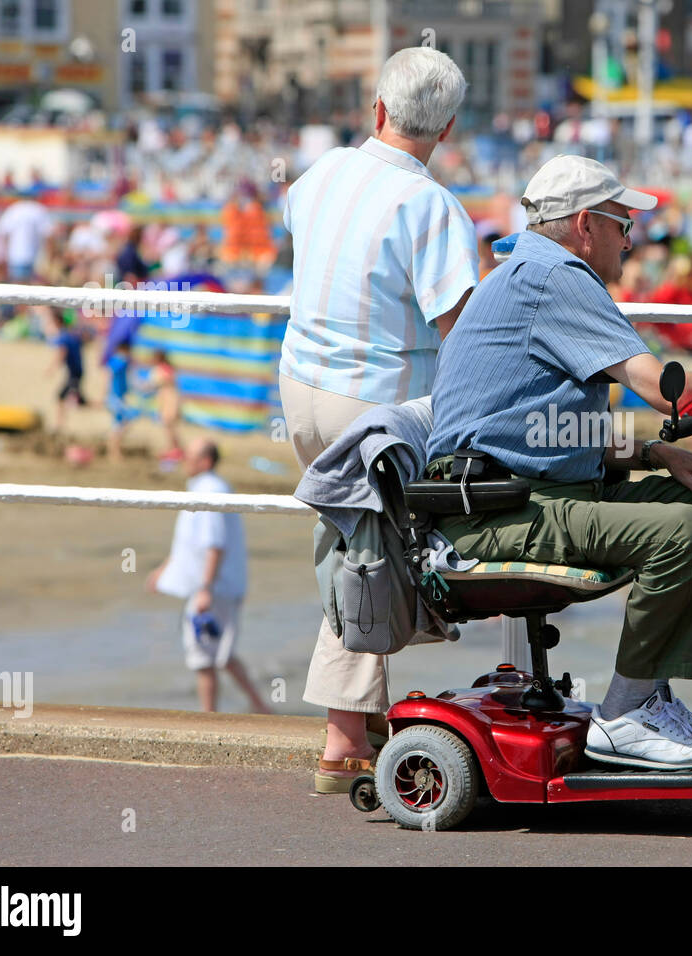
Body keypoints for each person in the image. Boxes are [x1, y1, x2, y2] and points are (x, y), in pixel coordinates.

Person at [426, 154, 692, 770]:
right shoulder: (555, 275)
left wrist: (657, 452)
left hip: (522, 493)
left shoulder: (534, 273)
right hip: (493, 509)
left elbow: (551, 432)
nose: (631, 241)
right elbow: (657, 383)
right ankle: (625, 715)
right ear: (586, 225)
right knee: (681, 531)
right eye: (623, 225)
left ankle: (650, 692)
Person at [278, 47, 479, 794]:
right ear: (448, 127)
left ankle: (362, 718)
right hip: (376, 403)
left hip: (301, 389)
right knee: (372, 553)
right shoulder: (433, 207)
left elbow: (302, 231)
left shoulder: (322, 171)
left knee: (348, 538)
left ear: (377, 109)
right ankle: (343, 738)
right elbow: (460, 325)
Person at [146, 438, 269, 714]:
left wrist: (205, 588)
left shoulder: (211, 490)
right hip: (215, 585)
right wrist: (163, 571)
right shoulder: (206, 488)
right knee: (220, 654)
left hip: (213, 587)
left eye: (189, 455)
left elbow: (215, 543)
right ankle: (260, 707)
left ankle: (208, 717)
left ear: (206, 461)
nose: (183, 460)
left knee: (203, 656)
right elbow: (190, 543)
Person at [44, 313, 87, 434]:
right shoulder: (71, 335)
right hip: (76, 371)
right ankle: (60, 425)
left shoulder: (63, 337)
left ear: (57, 322)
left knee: (68, 399)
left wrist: (51, 369)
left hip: (74, 373)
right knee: (63, 398)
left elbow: (61, 353)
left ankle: (60, 426)